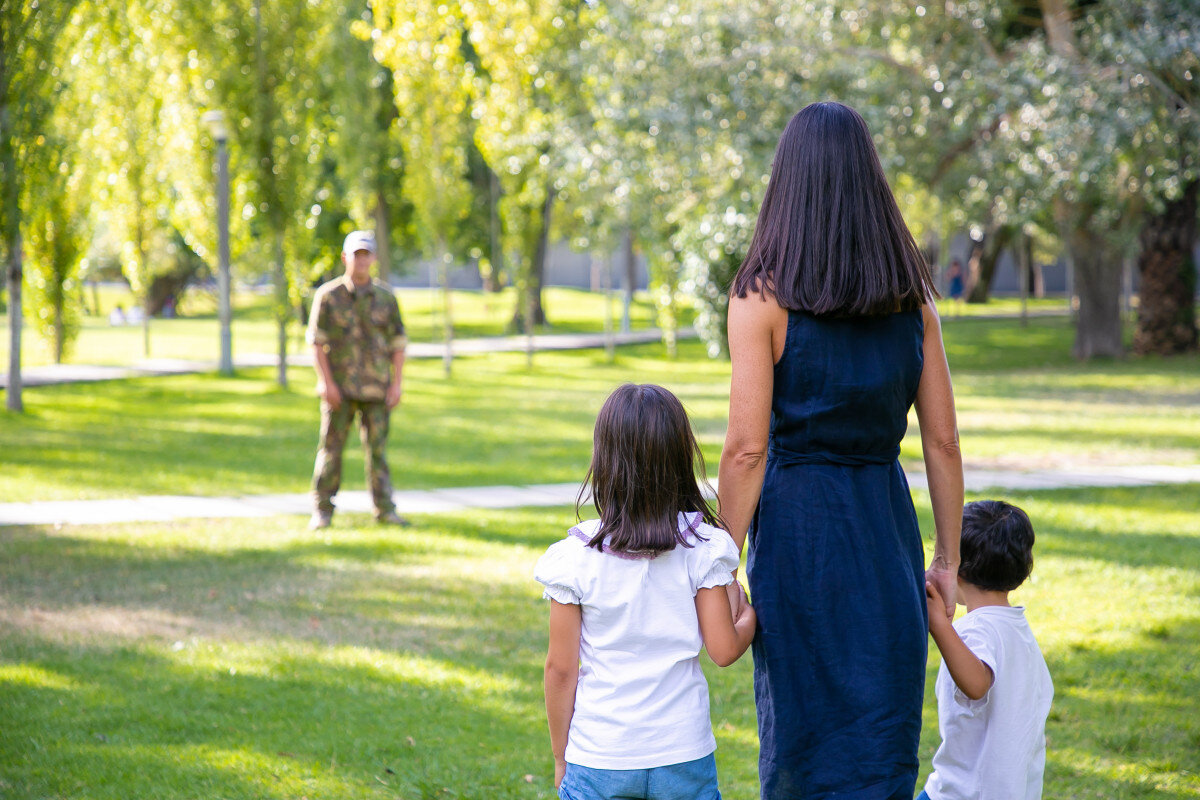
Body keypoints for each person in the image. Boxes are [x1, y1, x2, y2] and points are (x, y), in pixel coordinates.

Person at [718, 101, 964, 799]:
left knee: (802, 746)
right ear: (870, 181)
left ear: (785, 182)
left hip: (799, 540)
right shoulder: (911, 299)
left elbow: (744, 450)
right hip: (884, 534)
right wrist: (947, 558)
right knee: (883, 742)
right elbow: (942, 441)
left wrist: (720, 561)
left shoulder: (760, 299)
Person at [536, 383, 757, 800]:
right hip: (683, 751)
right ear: (679, 459)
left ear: (604, 461)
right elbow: (724, 650)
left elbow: (560, 669)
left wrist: (560, 755)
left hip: (600, 754)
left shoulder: (575, 558)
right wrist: (749, 617)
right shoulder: (701, 547)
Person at [920, 501, 1053, 800]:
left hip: (962, 793)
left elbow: (977, 684)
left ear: (956, 564)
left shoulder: (977, 629)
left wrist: (939, 625)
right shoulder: (1017, 630)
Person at [306, 230, 408, 530]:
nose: (361, 261)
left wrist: (397, 383)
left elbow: (397, 344)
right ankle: (322, 510)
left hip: (377, 388)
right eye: (356, 255)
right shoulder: (328, 296)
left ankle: (385, 509)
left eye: (366, 255)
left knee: (378, 452)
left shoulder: (386, 298)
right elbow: (316, 343)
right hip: (340, 389)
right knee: (330, 451)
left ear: (373, 258)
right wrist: (326, 383)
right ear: (345, 257)